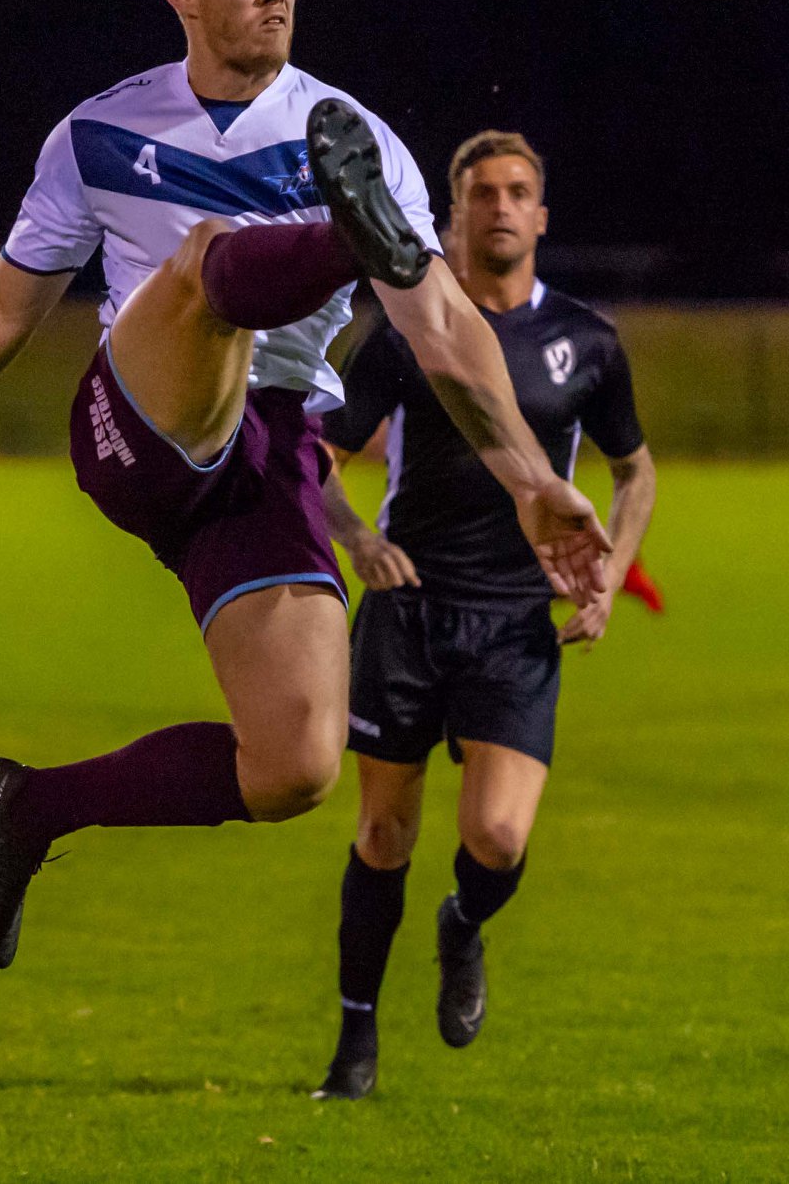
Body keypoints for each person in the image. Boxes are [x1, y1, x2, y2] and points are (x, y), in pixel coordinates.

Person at [0, 0, 612, 978]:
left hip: (268, 453)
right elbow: (7, 301)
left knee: (295, 764)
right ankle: (343, 236)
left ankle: (31, 806)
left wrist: (526, 478)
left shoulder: (356, 132)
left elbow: (440, 324)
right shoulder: (99, 132)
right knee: (203, 263)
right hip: (139, 424)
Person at [311, 129, 658, 1100]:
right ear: (451, 213)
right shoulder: (413, 330)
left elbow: (635, 469)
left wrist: (609, 576)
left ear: (540, 214)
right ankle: (354, 1041)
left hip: (514, 620)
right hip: (407, 609)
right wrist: (356, 540)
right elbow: (315, 457)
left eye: (516, 192)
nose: (499, 207)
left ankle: (461, 923)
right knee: (382, 833)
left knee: (498, 837)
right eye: (481, 193)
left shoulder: (587, 341)